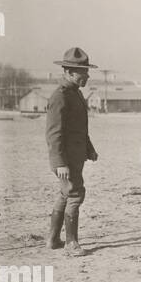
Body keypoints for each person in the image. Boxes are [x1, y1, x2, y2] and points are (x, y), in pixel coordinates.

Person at [45, 47, 99, 255]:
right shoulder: (60, 96)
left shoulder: (74, 94)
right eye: (82, 72)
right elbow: (54, 133)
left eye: (86, 70)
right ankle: (71, 244)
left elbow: (79, 129)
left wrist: (89, 150)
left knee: (65, 194)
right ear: (68, 72)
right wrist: (60, 163)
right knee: (76, 194)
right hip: (65, 160)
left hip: (74, 157)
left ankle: (52, 239)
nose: (86, 75)